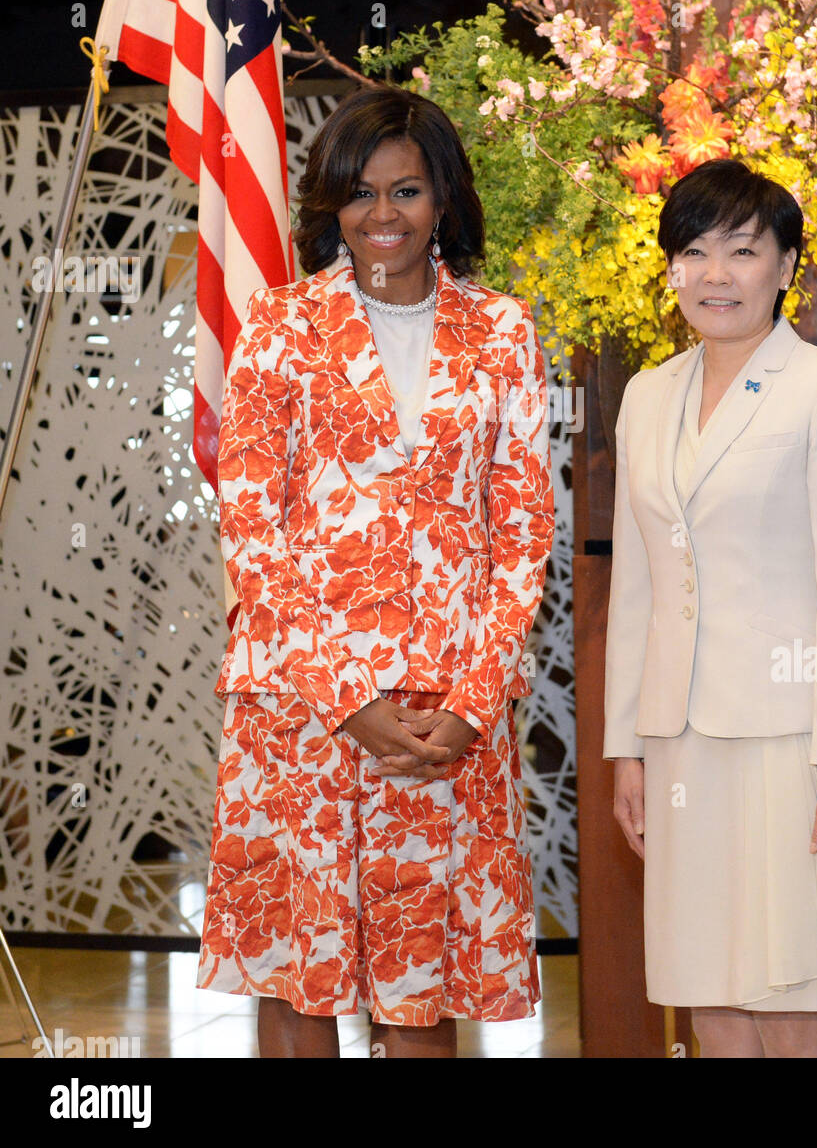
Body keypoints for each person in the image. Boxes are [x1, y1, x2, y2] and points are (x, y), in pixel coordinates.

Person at [196, 84, 555, 1058]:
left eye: (405, 191)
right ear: (331, 206)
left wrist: (473, 701)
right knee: (297, 977)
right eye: (359, 193)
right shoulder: (277, 326)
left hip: (445, 713)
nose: (381, 216)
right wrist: (344, 696)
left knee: (419, 991)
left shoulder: (502, 334)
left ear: (443, 198)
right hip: (301, 706)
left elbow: (522, 534)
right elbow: (253, 525)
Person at [604, 157, 817, 1058]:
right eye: (692, 252)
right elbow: (638, 589)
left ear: (786, 266)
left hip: (791, 744)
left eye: (741, 250)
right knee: (708, 994)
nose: (715, 274)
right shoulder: (647, 397)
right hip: (679, 740)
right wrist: (626, 749)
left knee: (793, 996)